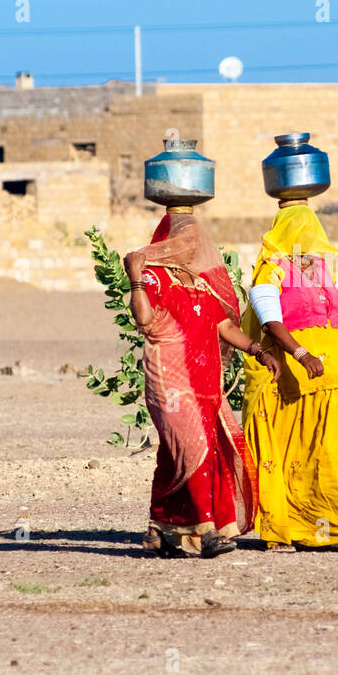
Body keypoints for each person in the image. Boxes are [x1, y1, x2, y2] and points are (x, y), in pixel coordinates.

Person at [124, 211, 281, 558]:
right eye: (185, 239)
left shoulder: (202, 284)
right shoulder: (154, 278)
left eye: (197, 240)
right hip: (170, 378)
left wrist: (258, 351)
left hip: (205, 379)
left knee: (176, 454)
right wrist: (135, 279)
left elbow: (224, 327)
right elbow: (145, 321)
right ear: (167, 243)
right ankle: (206, 532)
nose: (193, 246)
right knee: (195, 449)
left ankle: (160, 528)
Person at [240, 203, 338, 552]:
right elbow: (269, 319)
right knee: (311, 452)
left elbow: (334, 318)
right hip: (299, 377)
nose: (309, 239)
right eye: (301, 232)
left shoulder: (321, 269)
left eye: (313, 231)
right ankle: (309, 529)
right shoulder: (272, 269)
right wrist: (300, 353)